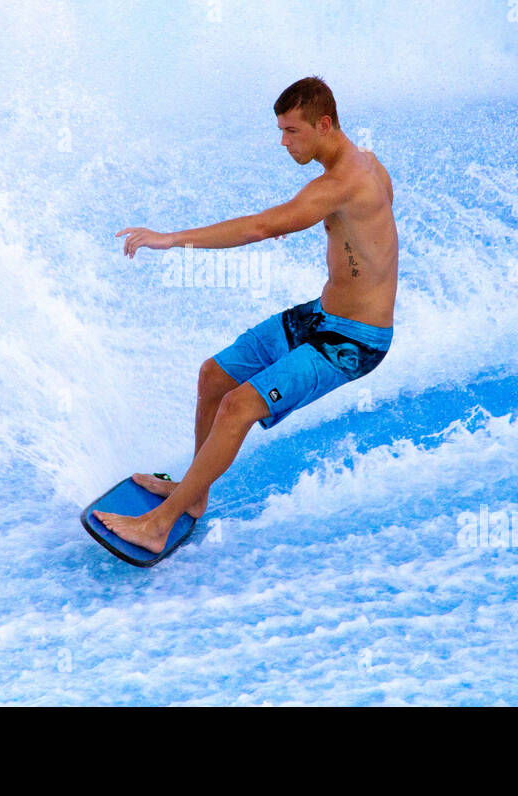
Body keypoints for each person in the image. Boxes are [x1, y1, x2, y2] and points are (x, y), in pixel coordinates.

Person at [95, 76, 399, 554]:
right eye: (280, 130)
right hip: (322, 315)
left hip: (354, 341)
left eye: (292, 131)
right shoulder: (369, 164)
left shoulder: (342, 184)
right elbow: (373, 222)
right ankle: (192, 498)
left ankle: (157, 527)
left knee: (238, 406)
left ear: (324, 124)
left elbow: (260, 227)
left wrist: (171, 239)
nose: (283, 142)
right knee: (214, 377)